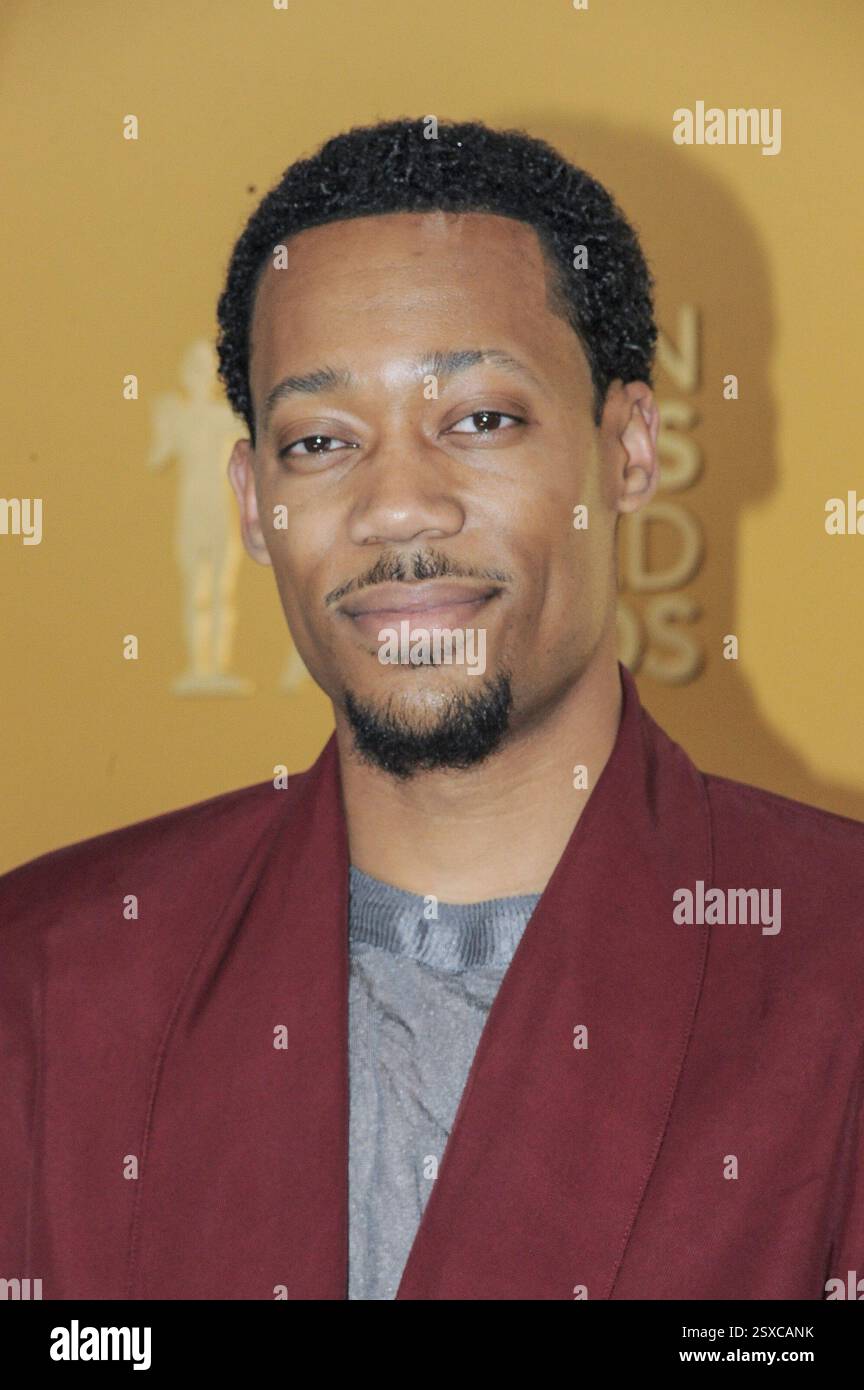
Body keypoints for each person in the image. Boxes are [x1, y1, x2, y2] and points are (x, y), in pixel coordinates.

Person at [1, 118, 862, 1302]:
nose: (398, 506)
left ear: (629, 448)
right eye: (321, 440)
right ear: (252, 503)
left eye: (480, 419)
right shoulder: (47, 978)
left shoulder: (835, 966)